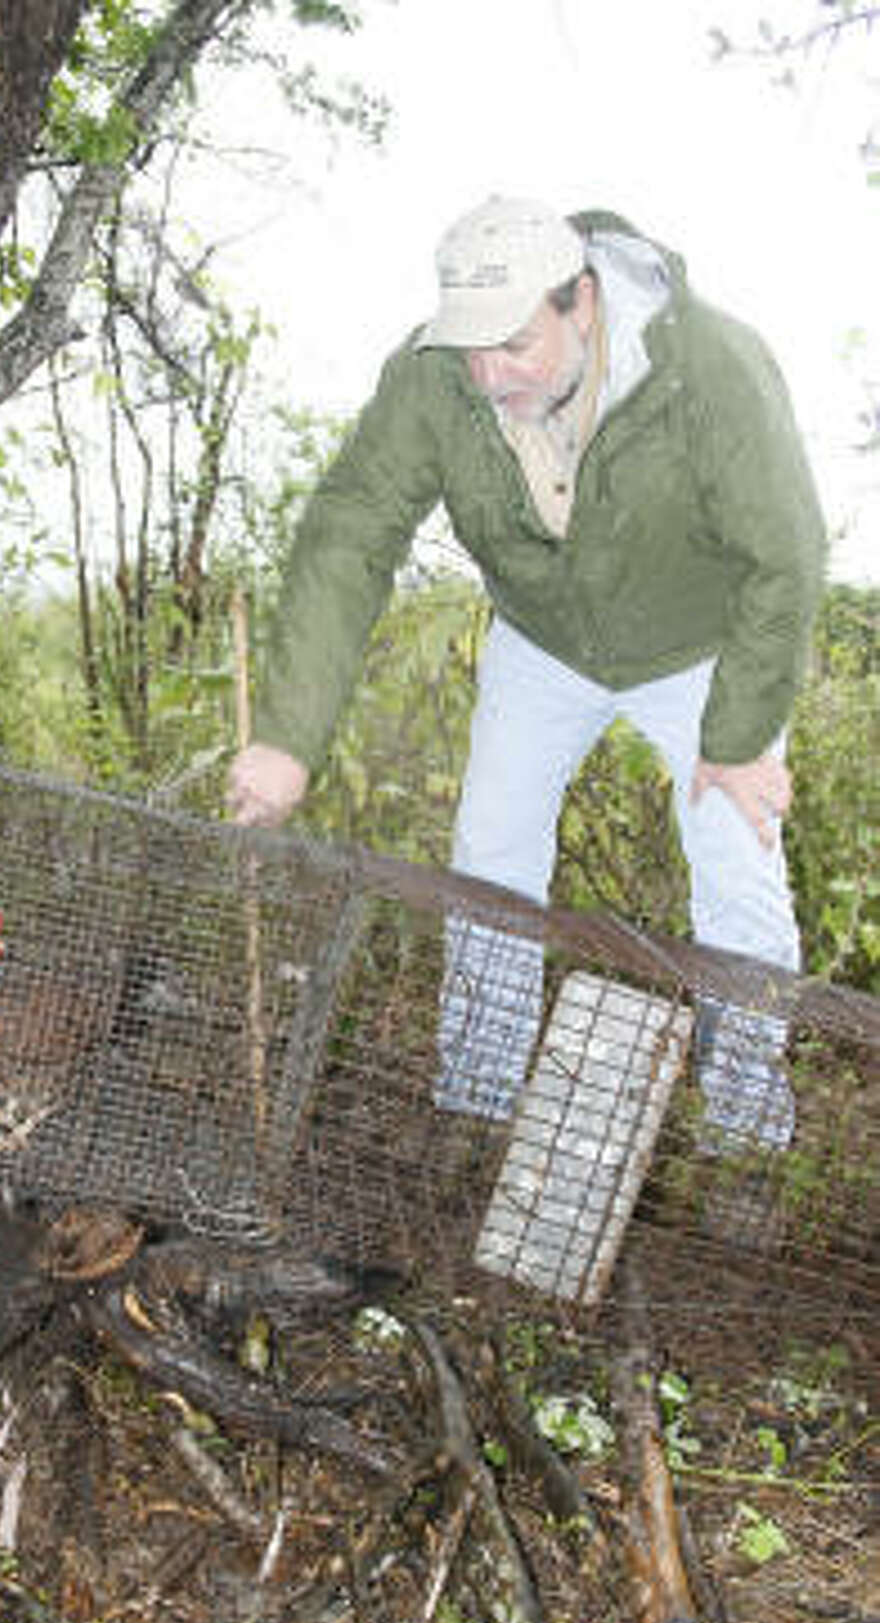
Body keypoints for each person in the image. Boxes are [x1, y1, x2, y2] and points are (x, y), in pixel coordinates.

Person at [228, 197, 825, 1153]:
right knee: (491, 856)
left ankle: (747, 1138)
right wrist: (290, 737)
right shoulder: (435, 379)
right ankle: (478, 1101)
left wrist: (741, 735)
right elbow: (351, 532)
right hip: (544, 643)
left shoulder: (712, 367)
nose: (489, 375)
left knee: (738, 872)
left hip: (702, 651)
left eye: (513, 346)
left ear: (580, 302)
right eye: (471, 349)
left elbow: (787, 558)